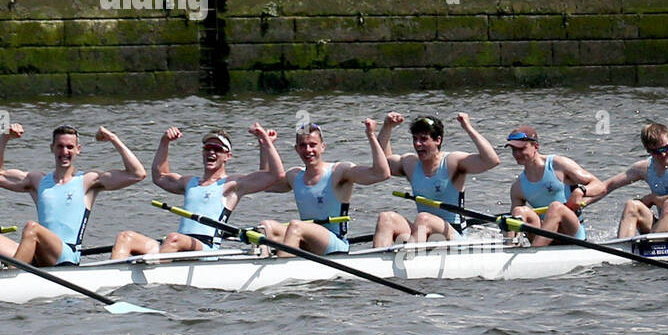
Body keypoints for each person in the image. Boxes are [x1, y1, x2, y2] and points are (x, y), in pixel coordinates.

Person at [0, 123, 145, 266]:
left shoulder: (89, 181)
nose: (64, 151)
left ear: (78, 150)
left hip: (67, 255)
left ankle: (11, 279)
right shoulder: (37, 180)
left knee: (32, 228)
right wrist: (5, 138)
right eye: (60, 146)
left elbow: (137, 174)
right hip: (40, 251)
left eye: (70, 147)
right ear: (52, 148)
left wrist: (113, 139)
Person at [110, 123, 283, 260]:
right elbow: (159, 176)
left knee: (173, 239)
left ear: (228, 156)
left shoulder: (232, 185)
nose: (212, 152)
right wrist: (164, 142)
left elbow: (275, 175)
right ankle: (110, 280)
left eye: (218, 149)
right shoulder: (189, 183)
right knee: (126, 237)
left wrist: (265, 141)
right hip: (179, 244)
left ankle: (156, 281)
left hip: (205, 248)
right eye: (208, 148)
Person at [258, 119, 390, 256]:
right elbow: (265, 182)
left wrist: (371, 135)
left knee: (296, 226)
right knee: (265, 227)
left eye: (313, 145)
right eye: (303, 146)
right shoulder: (294, 175)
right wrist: (265, 145)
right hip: (306, 237)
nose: (308, 150)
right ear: (297, 149)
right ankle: (261, 263)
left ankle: (280, 268)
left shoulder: (339, 171)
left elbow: (381, 174)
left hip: (335, 244)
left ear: (323, 147)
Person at [373, 113, 502, 246]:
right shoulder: (410, 163)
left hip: (453, 234)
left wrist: (468, 127)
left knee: (424, 219)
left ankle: (410, 260)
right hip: (423, 230)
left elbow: (491, 161)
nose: (418, 144)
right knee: (386, 218)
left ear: (438, 140)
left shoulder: (452, 162)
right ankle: (376, 262)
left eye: (423, 139)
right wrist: (387, 127)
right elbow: (382, 164)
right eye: (415, 139)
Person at [595, 122, 668, 237]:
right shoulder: (645, 167)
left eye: (665, 148)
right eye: (656, 152)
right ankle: (623, 248)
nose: (663, 154)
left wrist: (652, 198)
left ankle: (650, 245)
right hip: (663, 227)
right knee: (632, 205)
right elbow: (606, 186)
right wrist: (582, 199)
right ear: (647, 149)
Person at [503, 125, 603, 246]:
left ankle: (535, 252)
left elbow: (599, 185)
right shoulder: (517, 187)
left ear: (536, 147)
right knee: (519, 211)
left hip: (571, 233)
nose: (517, 154)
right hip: (546, 236)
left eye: (522, 149)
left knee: (556, 207)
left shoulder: (558, 165)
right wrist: (507, 226)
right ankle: (509, 248)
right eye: (514, 149)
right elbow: (514, 222)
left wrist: (580, 191)